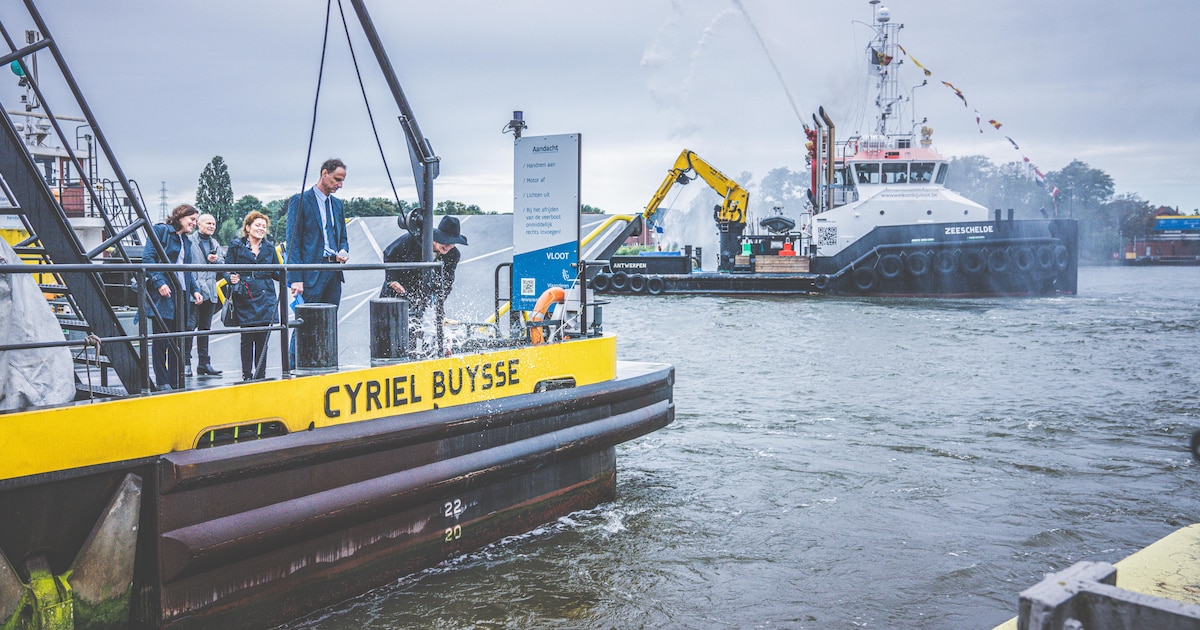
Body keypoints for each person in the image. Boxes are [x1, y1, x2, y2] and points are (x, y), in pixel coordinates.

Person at [286, 158, 348, 368]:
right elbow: (293, 242)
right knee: (305, 322)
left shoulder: (337, 205)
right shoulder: (301, 201)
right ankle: (295, 367)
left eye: (342, 181)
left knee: (329, 322)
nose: (340, 185)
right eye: (337, 179)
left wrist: (343, 250)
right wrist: (296, 278)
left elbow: (343, 237)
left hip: (333, 270)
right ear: (324, 174)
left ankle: (324, 364)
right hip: (311, 272)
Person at [381, 215, 468, 352]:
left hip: (423, 298)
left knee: (428, 331)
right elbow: (389, 253)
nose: (448, 246)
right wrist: (392, 280)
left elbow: (448, 281)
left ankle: (426, 358)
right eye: (445, 241)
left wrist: (438, 303)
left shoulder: (453, 255)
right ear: (437, 237)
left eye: (452, 243)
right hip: (397, 292)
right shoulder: (412, 240)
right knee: (392, 337)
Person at [141, 203, 203, 390]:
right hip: (163, 295)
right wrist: (159, 283)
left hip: (181, 295)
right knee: (162, 340)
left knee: (178, 339)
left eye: (195, 220)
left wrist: (194, 289)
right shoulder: (161, 231)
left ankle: (175, 380)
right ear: (180, 217)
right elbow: (148, 258)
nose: (194, 223)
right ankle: (162, 381)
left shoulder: (186, 241)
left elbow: (186, 270)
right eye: (191, 219)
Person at [225, 212, 281, 381]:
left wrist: (290, 272)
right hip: (245, 295)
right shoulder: (236, 246)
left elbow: (277, 272)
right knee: (247, 338)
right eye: (257, 225)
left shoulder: (270, 248)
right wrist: (230, 277)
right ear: (248, 227)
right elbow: (227, 269)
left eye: (264, 226)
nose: (261, 229)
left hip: (266, 296)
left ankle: (260, 375)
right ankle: (247, 375)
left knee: (263, 339)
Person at [184, 213, 224, 377]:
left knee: (205, 329)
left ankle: (204, 363)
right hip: (195, 292)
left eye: (214, 224)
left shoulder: (215, 243)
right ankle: (185, 362)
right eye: (208, 223)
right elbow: (186, 264)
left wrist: (216, 261)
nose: (211, 226)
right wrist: (195, 288)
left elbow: (223, 263)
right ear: (199, 224)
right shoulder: (189, 241)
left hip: (211, 292)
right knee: (189, 328)